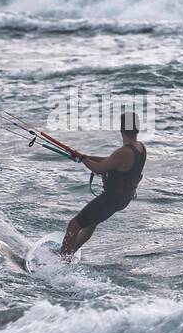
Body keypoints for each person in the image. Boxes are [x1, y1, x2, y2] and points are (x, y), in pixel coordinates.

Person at [60, 111, 146, 258]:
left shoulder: (124, 151)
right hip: (123, 199)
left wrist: (82, 160)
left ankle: (60, 260)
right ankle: (69, 253)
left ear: (121, 129)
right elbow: (110, 161)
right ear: (137, 128)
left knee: (74, 225)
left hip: (110, 199)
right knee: (90, 224)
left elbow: (99, 168)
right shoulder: (140, 148)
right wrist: (84, 156)